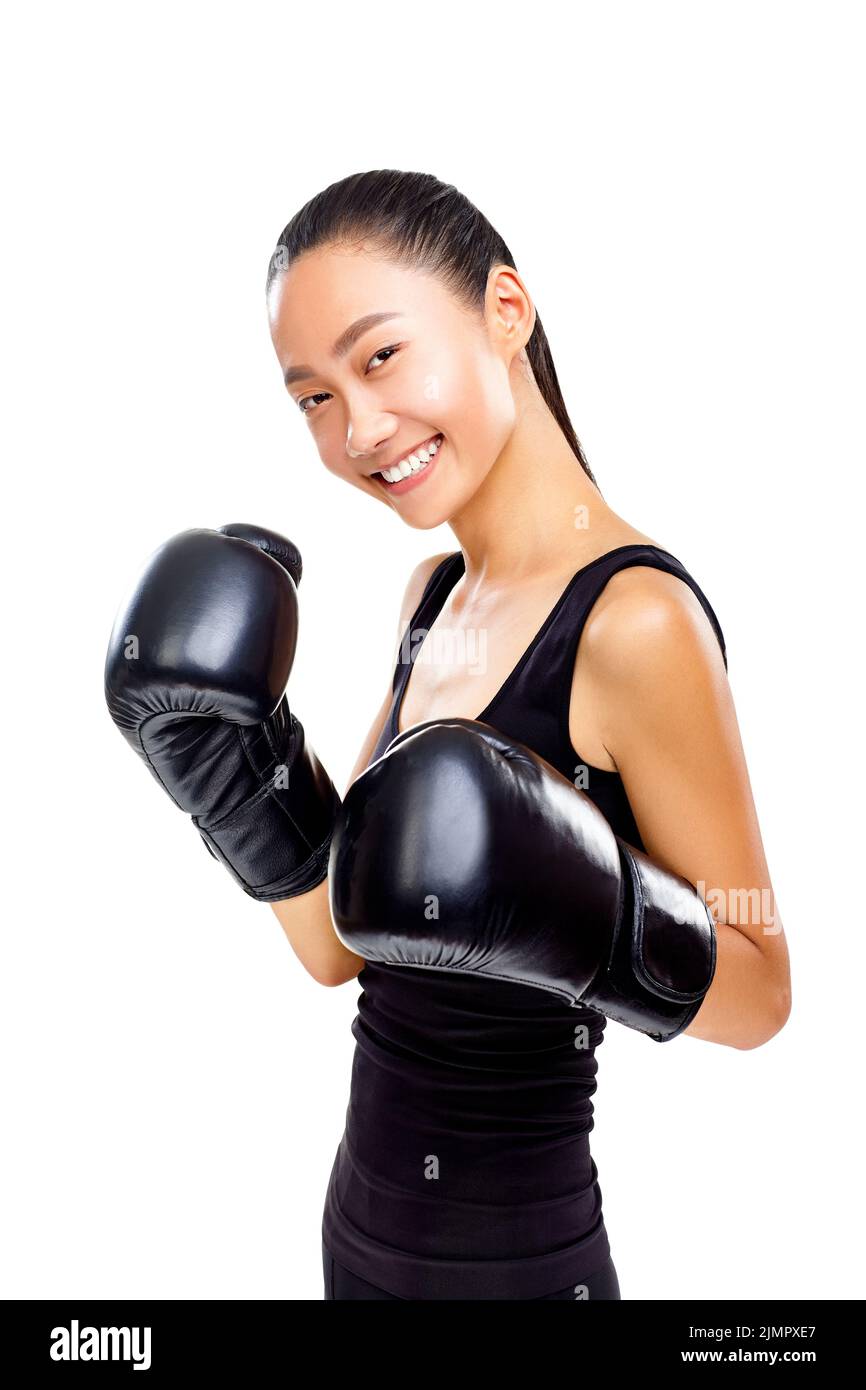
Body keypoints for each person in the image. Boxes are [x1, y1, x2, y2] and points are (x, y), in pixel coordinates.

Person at [106, 169, 792, 1302]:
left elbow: (762, 991)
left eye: (379, 356)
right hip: (359, 1238)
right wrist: (231, 770)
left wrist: (589, 908)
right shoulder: (431, 598)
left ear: (503, 312)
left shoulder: (633, 622)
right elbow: (339, 947)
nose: (358, 427)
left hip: (517, 1262)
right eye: (312, 396)